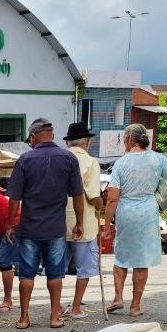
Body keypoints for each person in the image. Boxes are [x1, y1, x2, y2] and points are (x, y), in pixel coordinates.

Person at [5, 118, 85, 329]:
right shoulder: (68, 158)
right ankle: (54, 317)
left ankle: (24, 318)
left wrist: (10, 224)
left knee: (27, 273)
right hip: (56, 228)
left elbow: (14, 198)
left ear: (33, 137)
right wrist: (79, 222)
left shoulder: (25, 160)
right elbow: (77, 195)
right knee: (55, 272)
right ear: (52, 134)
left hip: (30, 227)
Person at [103, 124, 167, 317]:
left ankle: (118, 298)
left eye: (124, 138)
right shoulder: (158, 159)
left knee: (121, 257)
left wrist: (106, 224)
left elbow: (113, 197)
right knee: (142, 260)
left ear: (130, 140)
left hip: (127, 212)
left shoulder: (122, 163)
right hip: (149, 210)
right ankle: (136, 306)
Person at [63, 122, 103, 319]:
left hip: (58, 222)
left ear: (69, 142)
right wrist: (101, 204)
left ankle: (55, 307)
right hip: (83, 223)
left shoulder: (60, 160)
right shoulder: (91, 162)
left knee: (56, 268)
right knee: (84, 268)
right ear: (87, 142)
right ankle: (76, 307)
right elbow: (93, 195)